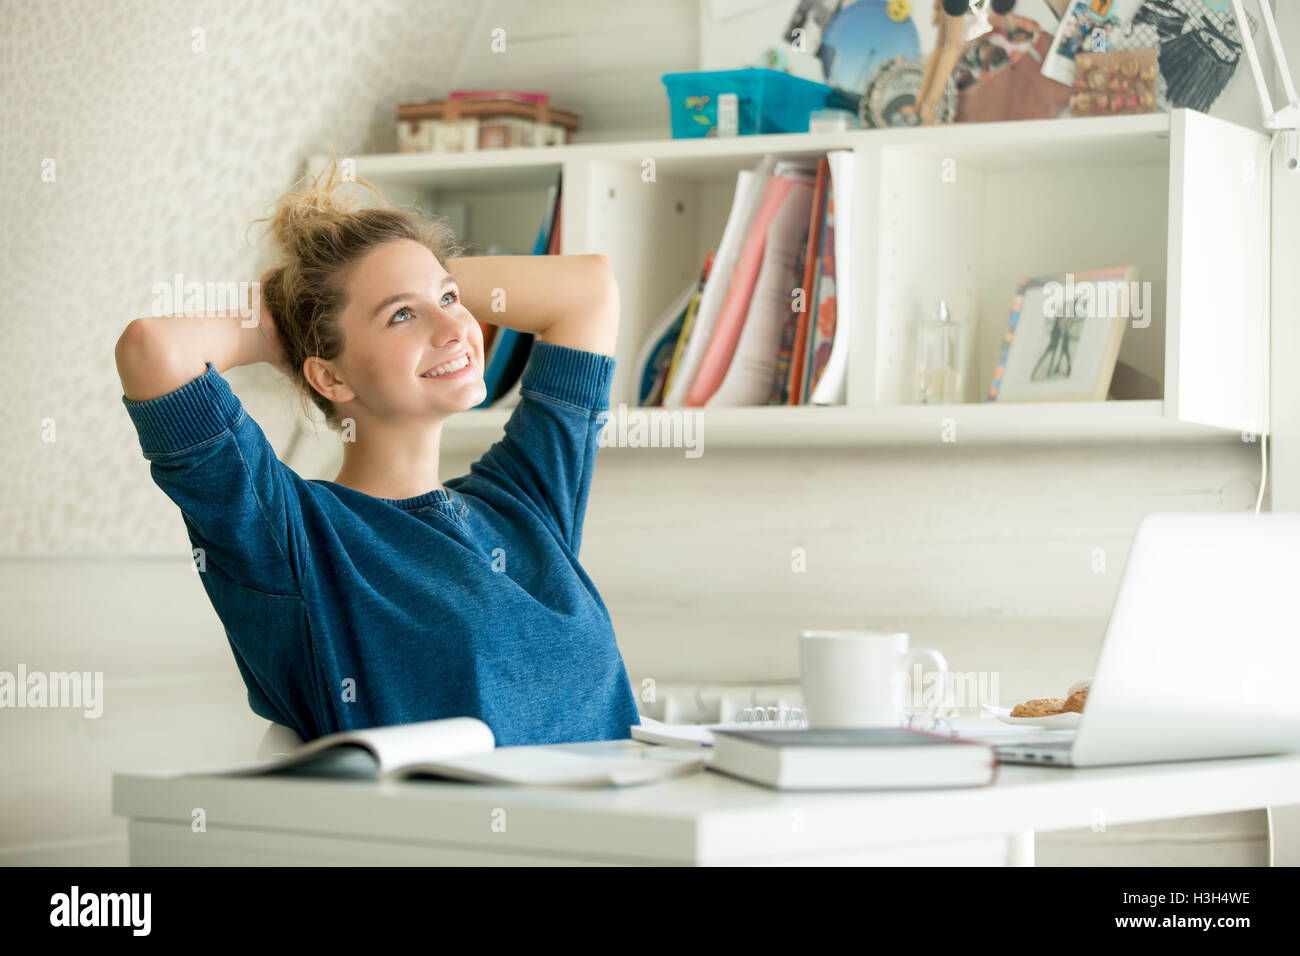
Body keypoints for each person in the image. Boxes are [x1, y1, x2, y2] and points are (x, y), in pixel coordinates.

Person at [114, 154, 641, 746]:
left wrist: (411, 275)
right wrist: (279, 321)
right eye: (401, 317)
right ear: (330, 378)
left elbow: (589, 290)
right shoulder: (297, 536)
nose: (452, 331)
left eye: (449, 301)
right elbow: (151, 350)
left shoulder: (526, 504)